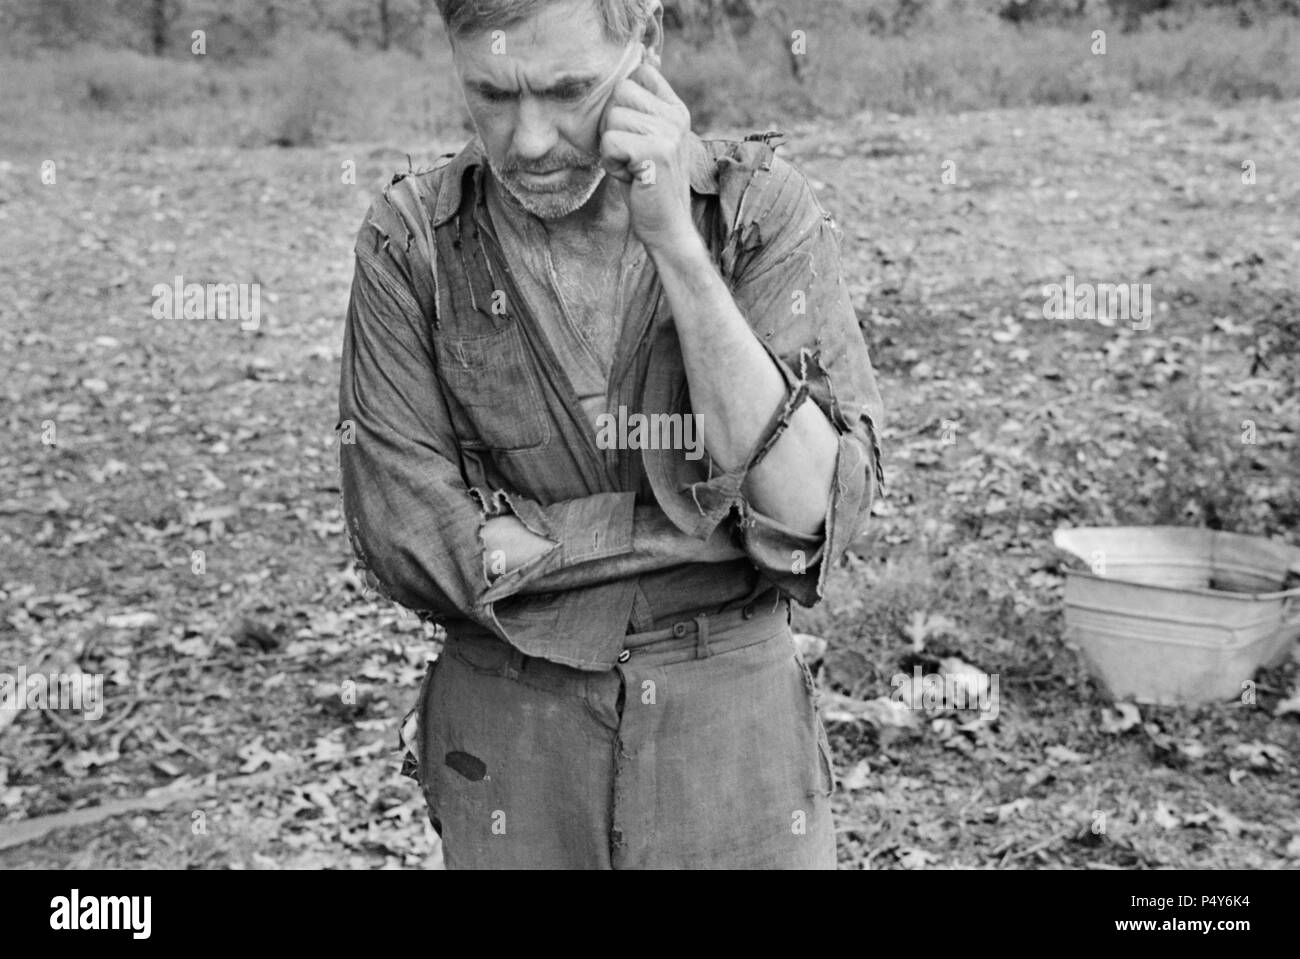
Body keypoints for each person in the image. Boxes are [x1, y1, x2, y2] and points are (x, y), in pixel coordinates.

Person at [337, 0, 885, 869]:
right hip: (512, 743)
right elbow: (411, 544)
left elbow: (814, 514)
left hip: (736, 740)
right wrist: (702, 531)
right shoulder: (411, 244)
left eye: (567, 92)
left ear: (647, 50)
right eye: (490, 93)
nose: (527, 140)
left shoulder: (754, 211)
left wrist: (676, 246)